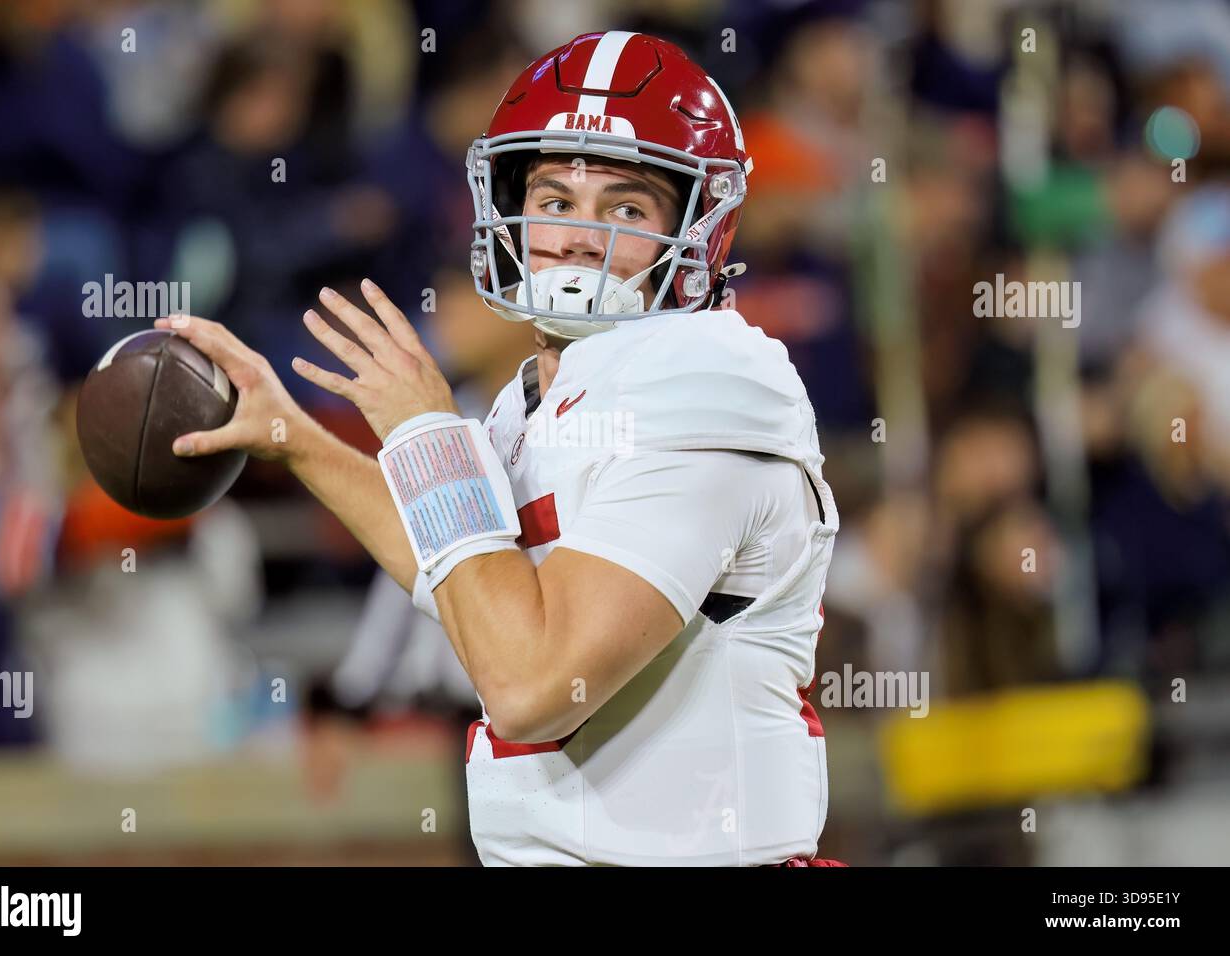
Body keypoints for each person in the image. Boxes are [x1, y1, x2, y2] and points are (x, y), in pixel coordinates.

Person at [155, 31, 841, 867]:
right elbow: (468, 573)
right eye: (554, 201)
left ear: (699, 229)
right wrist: (293, 439)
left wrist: (426, 436)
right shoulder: (549, 394)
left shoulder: (710, 380)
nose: (579, 237)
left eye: (625, 209)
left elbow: (532, 686)